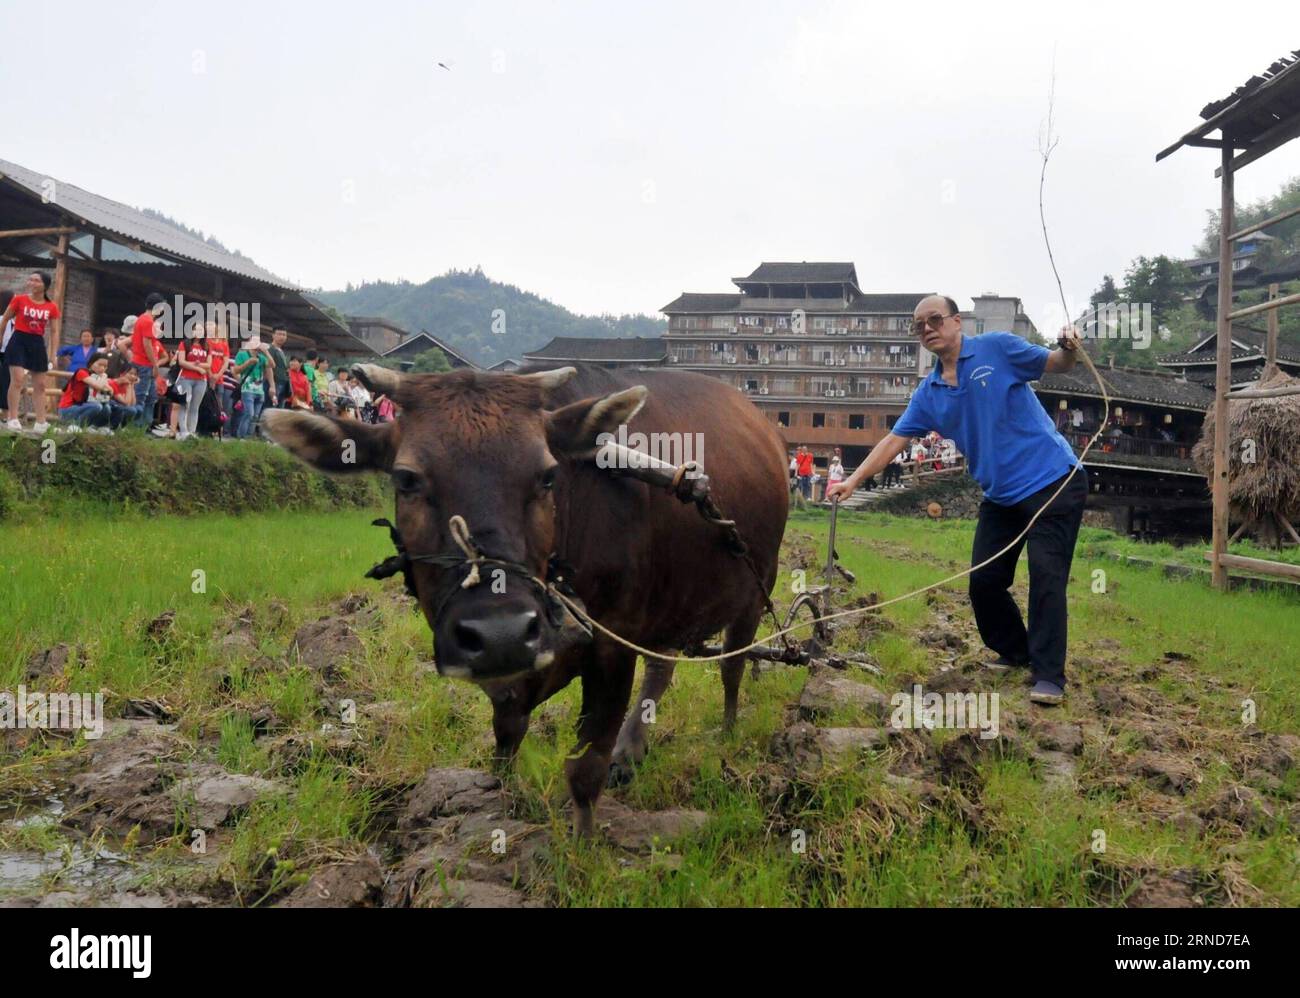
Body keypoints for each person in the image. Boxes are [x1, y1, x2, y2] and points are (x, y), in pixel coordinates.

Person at [827, 294, 1087, 706]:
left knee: (1046, 576)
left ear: (956, 321)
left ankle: (1049, 675)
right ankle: (1015, 650)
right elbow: (895, 439)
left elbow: (1057, 364)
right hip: (1000, 494)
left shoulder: (997, 348)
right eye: (919, 326)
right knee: (984, 582)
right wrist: (854, 480)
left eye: (934, 319)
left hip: (1052, 480)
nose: (927, 329)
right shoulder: (929, 392)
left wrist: (1069, 346)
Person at [3, 271, 61, 434]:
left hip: (37, 342)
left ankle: (41, 422)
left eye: (37, 280)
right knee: (18, 379)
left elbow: (55, 331)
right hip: (19, 340)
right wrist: (0, 338)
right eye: (31, 280)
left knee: (40, 384)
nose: (32, 283)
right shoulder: (19, 299)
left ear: (45, 285)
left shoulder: (51, 306)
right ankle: (12, 418)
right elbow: (6, 318)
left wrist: (53, 353)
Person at [56, 351, 128, 430]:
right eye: (100, 365)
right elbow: (98, 385)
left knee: (106, 407)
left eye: (105, 366)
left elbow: (111, 391)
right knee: (97, 406)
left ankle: (95, 427)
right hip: (67, 409)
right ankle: (76, 426)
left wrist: (104, 383)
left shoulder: (98, 377)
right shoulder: (82, 372)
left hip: (82, 407)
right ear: (91, 363)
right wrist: (104, 377)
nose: (102, 368)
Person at [130, 293, 166, 428]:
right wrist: (155, 364)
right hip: (144, 363)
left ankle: (145, 425)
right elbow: (147, 344)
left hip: (144, 363)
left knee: (151, 397)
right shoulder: (147, 321)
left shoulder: (143, 319)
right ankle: (136, 426)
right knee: (141, 396)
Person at [231, 334, 275, 438]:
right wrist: (248, 362)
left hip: (259, 390)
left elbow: (272, 365)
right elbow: (235, 370)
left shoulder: (261, 357)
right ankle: (241, 436)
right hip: (247, 389)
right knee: (248, 413)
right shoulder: (242, 354)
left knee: (255, 416)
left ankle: (249, 436)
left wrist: (266, 351)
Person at [175, 329, 212, 441]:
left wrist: (198, 365)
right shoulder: (185, 344)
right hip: (186, 378)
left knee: (195, 407)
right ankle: (183, 431)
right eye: (197, 329)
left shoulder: (206, 346)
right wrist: (197, 368)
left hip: (201, 380)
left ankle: (192, 432)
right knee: (185, 404)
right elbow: (181, 362)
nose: (199, 332)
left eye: (201, 330)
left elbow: (209, 364)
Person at [269, 327, 290, 407]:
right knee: (271, 408)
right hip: (274, 383)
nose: (282, 337)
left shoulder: (281, 351)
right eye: (279, 334)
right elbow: (268, 367)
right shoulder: (270, 348)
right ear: (273, 335)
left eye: (284, 335)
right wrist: (271, 385)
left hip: (282, 384)